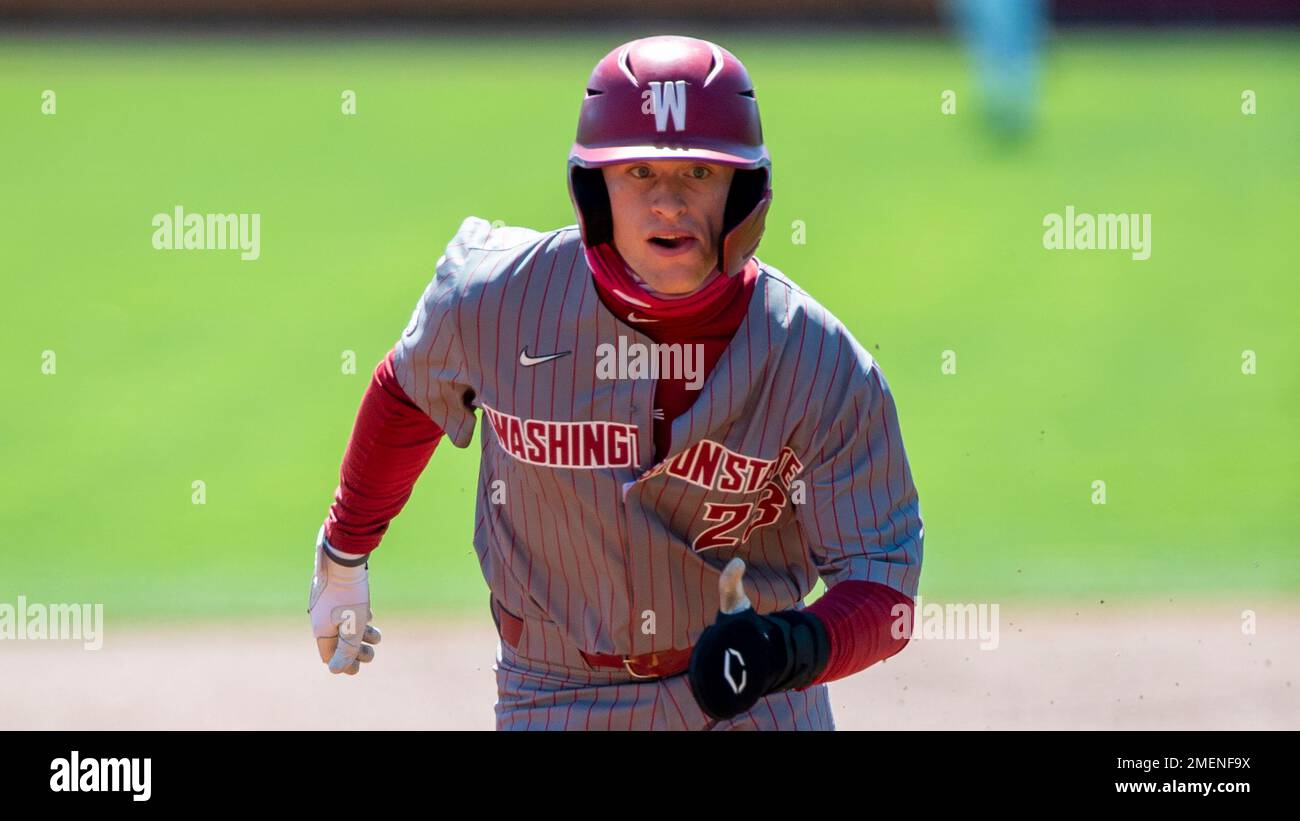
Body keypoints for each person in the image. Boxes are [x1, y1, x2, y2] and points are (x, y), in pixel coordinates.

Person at [308, 34, 924, 730]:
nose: (668, 202)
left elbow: (885, 585)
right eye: (638, 172)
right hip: (555, 691)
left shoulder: (819, 363)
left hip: (755, 698)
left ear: (744, 190)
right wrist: (344, 555)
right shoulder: (494, 301)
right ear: (592, 189)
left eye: (699, 173)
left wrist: (784, 648)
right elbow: (409, 392)